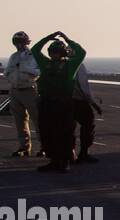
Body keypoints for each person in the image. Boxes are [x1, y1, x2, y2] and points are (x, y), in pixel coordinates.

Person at [31, 31, 85, 173]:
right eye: (52, 51)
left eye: (57, 51)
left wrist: (68, 40)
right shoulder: (45, 64)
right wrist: (47, 38)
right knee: (47, 132)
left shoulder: (70, 65)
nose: (54, 54)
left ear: (63, 53)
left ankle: (65, 161)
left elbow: (81, 53)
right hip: (47, 103)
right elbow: (35, 50)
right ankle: (54, 160)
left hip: (63, 104)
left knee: (64, 133)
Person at [4, 31, 41, 157]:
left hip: (29, 89)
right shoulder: (13, 56)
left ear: (26, 42)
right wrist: (10, 76)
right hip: (15, 90)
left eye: (21, 41)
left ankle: (44, 147)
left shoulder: (34, 55)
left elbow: (39, 71)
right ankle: (24, 147)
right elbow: (7, 71)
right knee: (20, 121)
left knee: (38, 120)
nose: (18, 44)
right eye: (16, 42)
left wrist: (26, 71)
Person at [71, 61, 101, 164]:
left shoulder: (58, 65)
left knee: (68, 128)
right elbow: (85, 88)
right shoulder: (78, 65)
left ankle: (70, 154)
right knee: (88, 125)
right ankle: (84, 153)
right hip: (78, 101)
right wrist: (94, 104)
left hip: (63, 101)